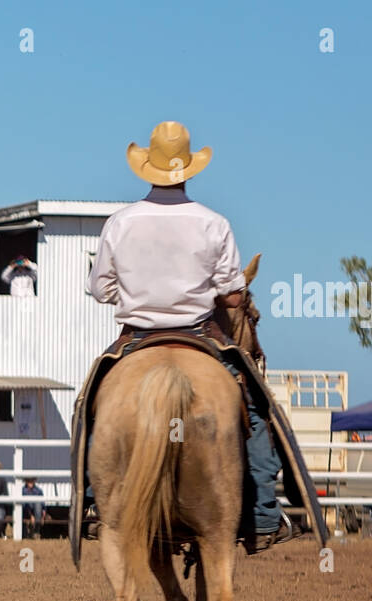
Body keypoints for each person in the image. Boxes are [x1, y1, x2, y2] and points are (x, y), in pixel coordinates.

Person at [89, 120, 290, 549]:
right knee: (255, 411)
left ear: (147, 168)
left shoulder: (120, 222)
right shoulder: (213, 222)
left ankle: (92, 501)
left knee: (91, 405)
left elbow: (100, 289)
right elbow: (233, 298)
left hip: (136, 336)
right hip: (199, 333)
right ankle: (262, 515)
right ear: (189, 171)